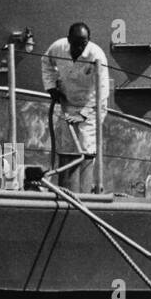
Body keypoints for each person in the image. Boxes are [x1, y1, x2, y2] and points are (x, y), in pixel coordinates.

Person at [41, 22, 109, 190]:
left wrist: (83, 114)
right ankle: (66, 189)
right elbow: (46, 63)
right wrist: (51, 88)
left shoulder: (96, 55)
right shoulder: (58, 47)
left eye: (83, 43)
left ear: (89, 40)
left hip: (91, 106)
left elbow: (102, 90)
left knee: (86, 145)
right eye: (76, 43)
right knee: (67, 144)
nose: (79, 47)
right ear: (68, 39)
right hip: (68, 102)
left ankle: (83, 192)